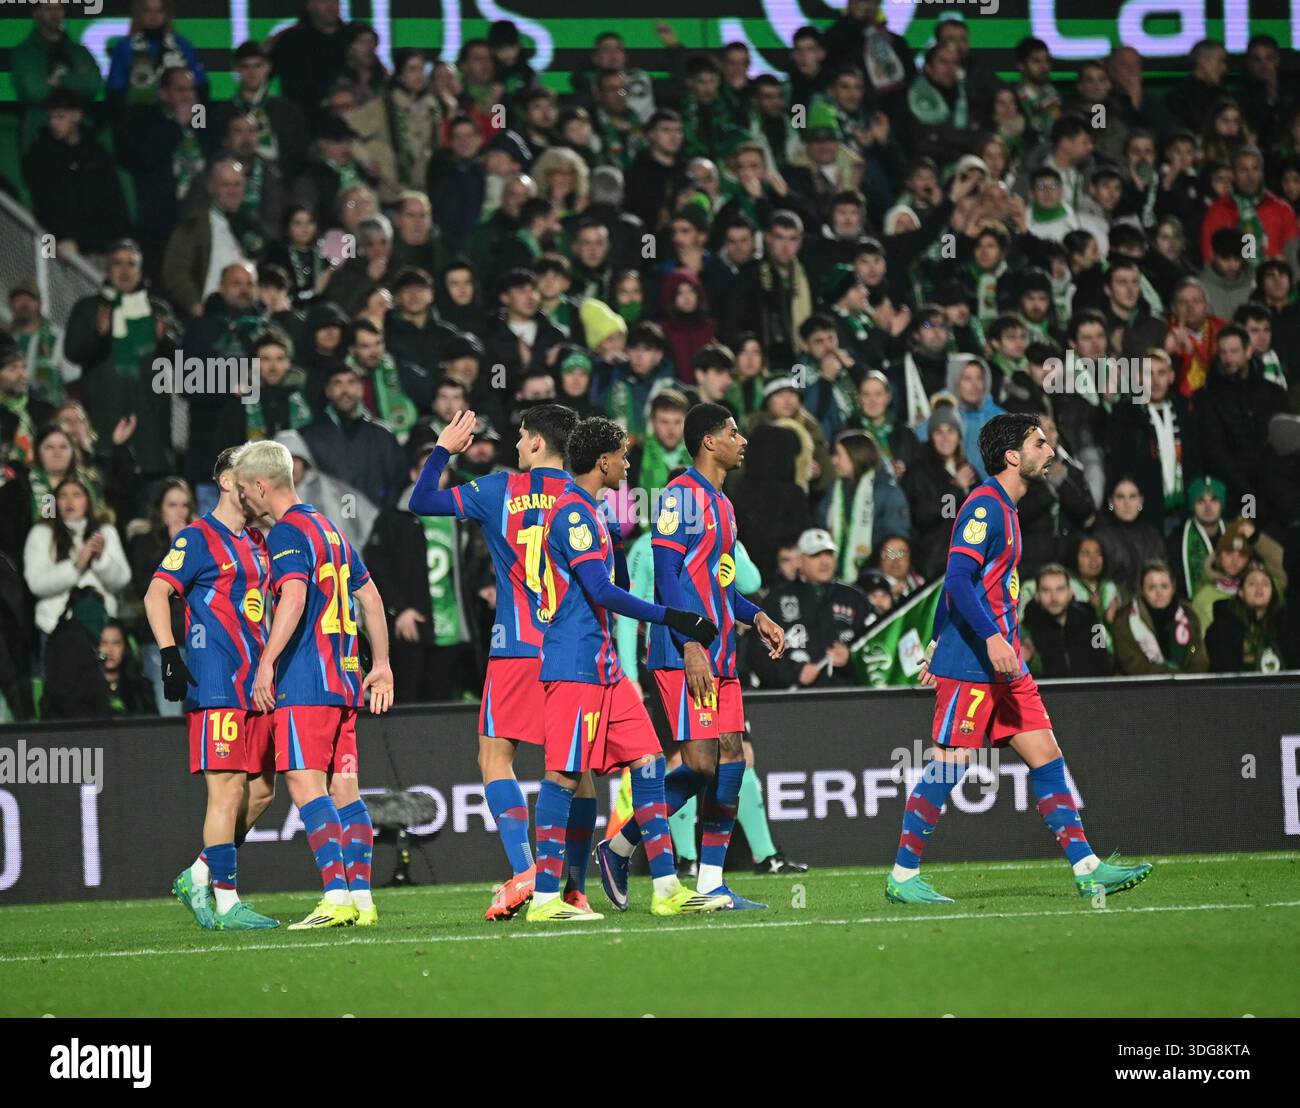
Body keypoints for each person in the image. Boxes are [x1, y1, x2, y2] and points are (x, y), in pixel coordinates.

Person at [888, 413, 1153, 904]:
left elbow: (968, 588)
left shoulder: (1009, 509)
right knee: (950, 764)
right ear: (1013, 456)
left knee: (1046, 754)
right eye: (1040, 443)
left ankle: (1088, 867)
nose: (1049, 451)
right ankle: (903, 876)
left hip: (1005, 664)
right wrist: (976, 641)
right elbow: (957, 581)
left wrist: (937, 641)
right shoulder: (985, 507)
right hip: (973, 662)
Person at [530, 416, 727, 921]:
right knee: (564, 775)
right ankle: (545, 898)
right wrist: (672, 615)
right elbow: (600, 591)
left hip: (605, 668)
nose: (627, 464)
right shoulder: (574, 514)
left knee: (649, 761)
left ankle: (664, 886)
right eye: (622, 455)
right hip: (574, 663)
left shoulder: (593, 512)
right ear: (603, 461)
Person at [406, 403, 594, 920]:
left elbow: (421, 501)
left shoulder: (496, 490)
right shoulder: (582, 499)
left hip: (515, 647)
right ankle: (572, 888)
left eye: (520, 436)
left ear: (536, 443)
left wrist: (444, 448)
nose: (514, 444)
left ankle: (527, 869)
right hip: (570, 647)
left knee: (495, 758)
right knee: (575, 771)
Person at [596, 404, 786, 912]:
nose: (741, 439)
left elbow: (718, 583)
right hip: (685, 653)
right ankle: (619, 845)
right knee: (702, 764)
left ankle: (711, 883)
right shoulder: (680, 495)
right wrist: (691, 643)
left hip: (721, 652)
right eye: (732, 432)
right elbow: (667, 571)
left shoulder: (722, 503)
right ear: (708, 442)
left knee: (732, 759)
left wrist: (756, 614)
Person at [236, 438, 394, 930]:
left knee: (305, 786)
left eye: (244, 490)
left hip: (306, 681)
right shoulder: (329, 529)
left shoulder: (286, 533)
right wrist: (382, 664)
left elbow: (295, 598)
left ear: (262, 486)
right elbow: (371, 598)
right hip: (345, 681)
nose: (243, 499)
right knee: (345, 792)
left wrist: (266, 662)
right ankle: (363, 900)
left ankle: (335, 896)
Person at [143, 447, 278, 931]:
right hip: (216, 681)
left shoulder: (262, 541)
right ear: (226, 480)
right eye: (251, 475)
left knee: (263, 790)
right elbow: (157, 592)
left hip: (259, 682)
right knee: (228, 790)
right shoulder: (198, 538)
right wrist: (168, 653)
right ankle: (226, 901)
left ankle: (199, 871)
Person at [748, 527, 872, 688]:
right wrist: (795, 671)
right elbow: (758, 653)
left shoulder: (854, 598)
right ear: (800, 561)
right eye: (815, 555)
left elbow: (876, 642)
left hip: (844, 695)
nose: (824, 561)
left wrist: (852, 658)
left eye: (828, 553)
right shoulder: (776, 599)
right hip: (795, 700)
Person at [1113, 560, 1209, 676]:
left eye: (1164, 586)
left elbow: (1194, 649)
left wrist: (1188, 677)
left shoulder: (1188, 615)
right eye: (1151, 587)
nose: (1159, 593)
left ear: (1173, 588)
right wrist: (1175, 675)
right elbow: (1134, 663)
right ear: (1142, 590)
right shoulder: (1125, 621)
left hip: (1188, 688)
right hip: (1144, 689)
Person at [1021, 563, 1114, 679]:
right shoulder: (1028, 627)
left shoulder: (1089, 619)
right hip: (1047, 694)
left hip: (1091, 693)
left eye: (1060, 589)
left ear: (1070, 593)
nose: (1053, 597)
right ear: (1037, 596)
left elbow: (1104, 662)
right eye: (1046, 590)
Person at [1206, 562, 1295, 673]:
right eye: (1252, 584)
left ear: (1273, 592)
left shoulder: (1286, 625)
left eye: (1265, 584)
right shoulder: (1223, 626)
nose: (1259, 588)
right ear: (1241, 592)